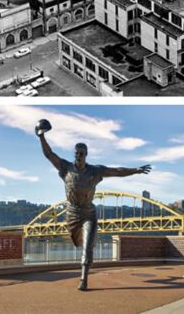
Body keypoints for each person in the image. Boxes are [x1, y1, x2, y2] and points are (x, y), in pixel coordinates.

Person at [36, 120, 151, 291]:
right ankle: (83, 269)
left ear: (86, 154)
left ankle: (83, 279)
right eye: (77, 153)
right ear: (74, 154)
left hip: (89, 213)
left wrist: (136, 170)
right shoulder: (66, 168)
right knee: (78, 242)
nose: (79, 156)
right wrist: (41, 137)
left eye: (82, 153)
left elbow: (117, 171)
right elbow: (49, 154)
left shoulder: (95, 171)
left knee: (88, 245)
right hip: (72, 213)